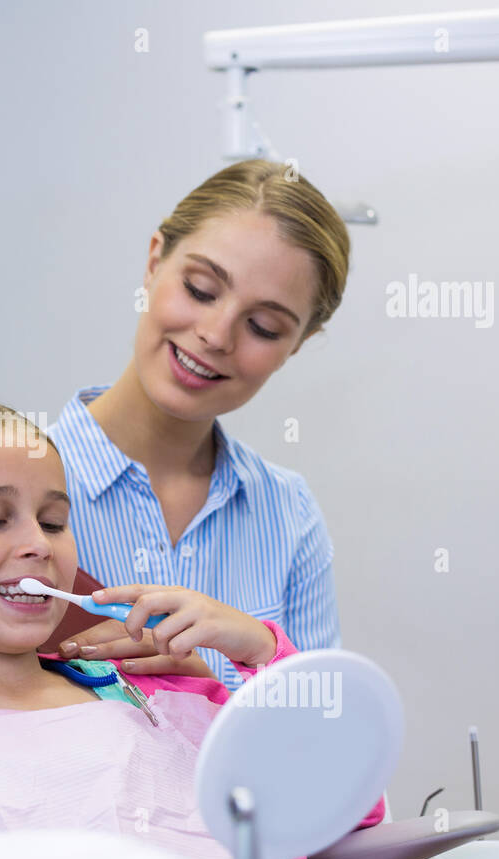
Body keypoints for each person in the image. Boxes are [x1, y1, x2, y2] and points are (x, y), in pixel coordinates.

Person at [0, 401, 383, 859]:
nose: (38, 543)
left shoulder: (163, 692)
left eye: (54, 521)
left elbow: (347, 810)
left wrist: (262, 649)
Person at [49, 160, 351, 691]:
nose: (215, 334)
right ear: (153, 262)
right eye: (201, 289)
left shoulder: (288, 514)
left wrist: (261, 648)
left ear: (296, 345)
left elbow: (329, 752)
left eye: (263, 326)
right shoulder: (12, 487)